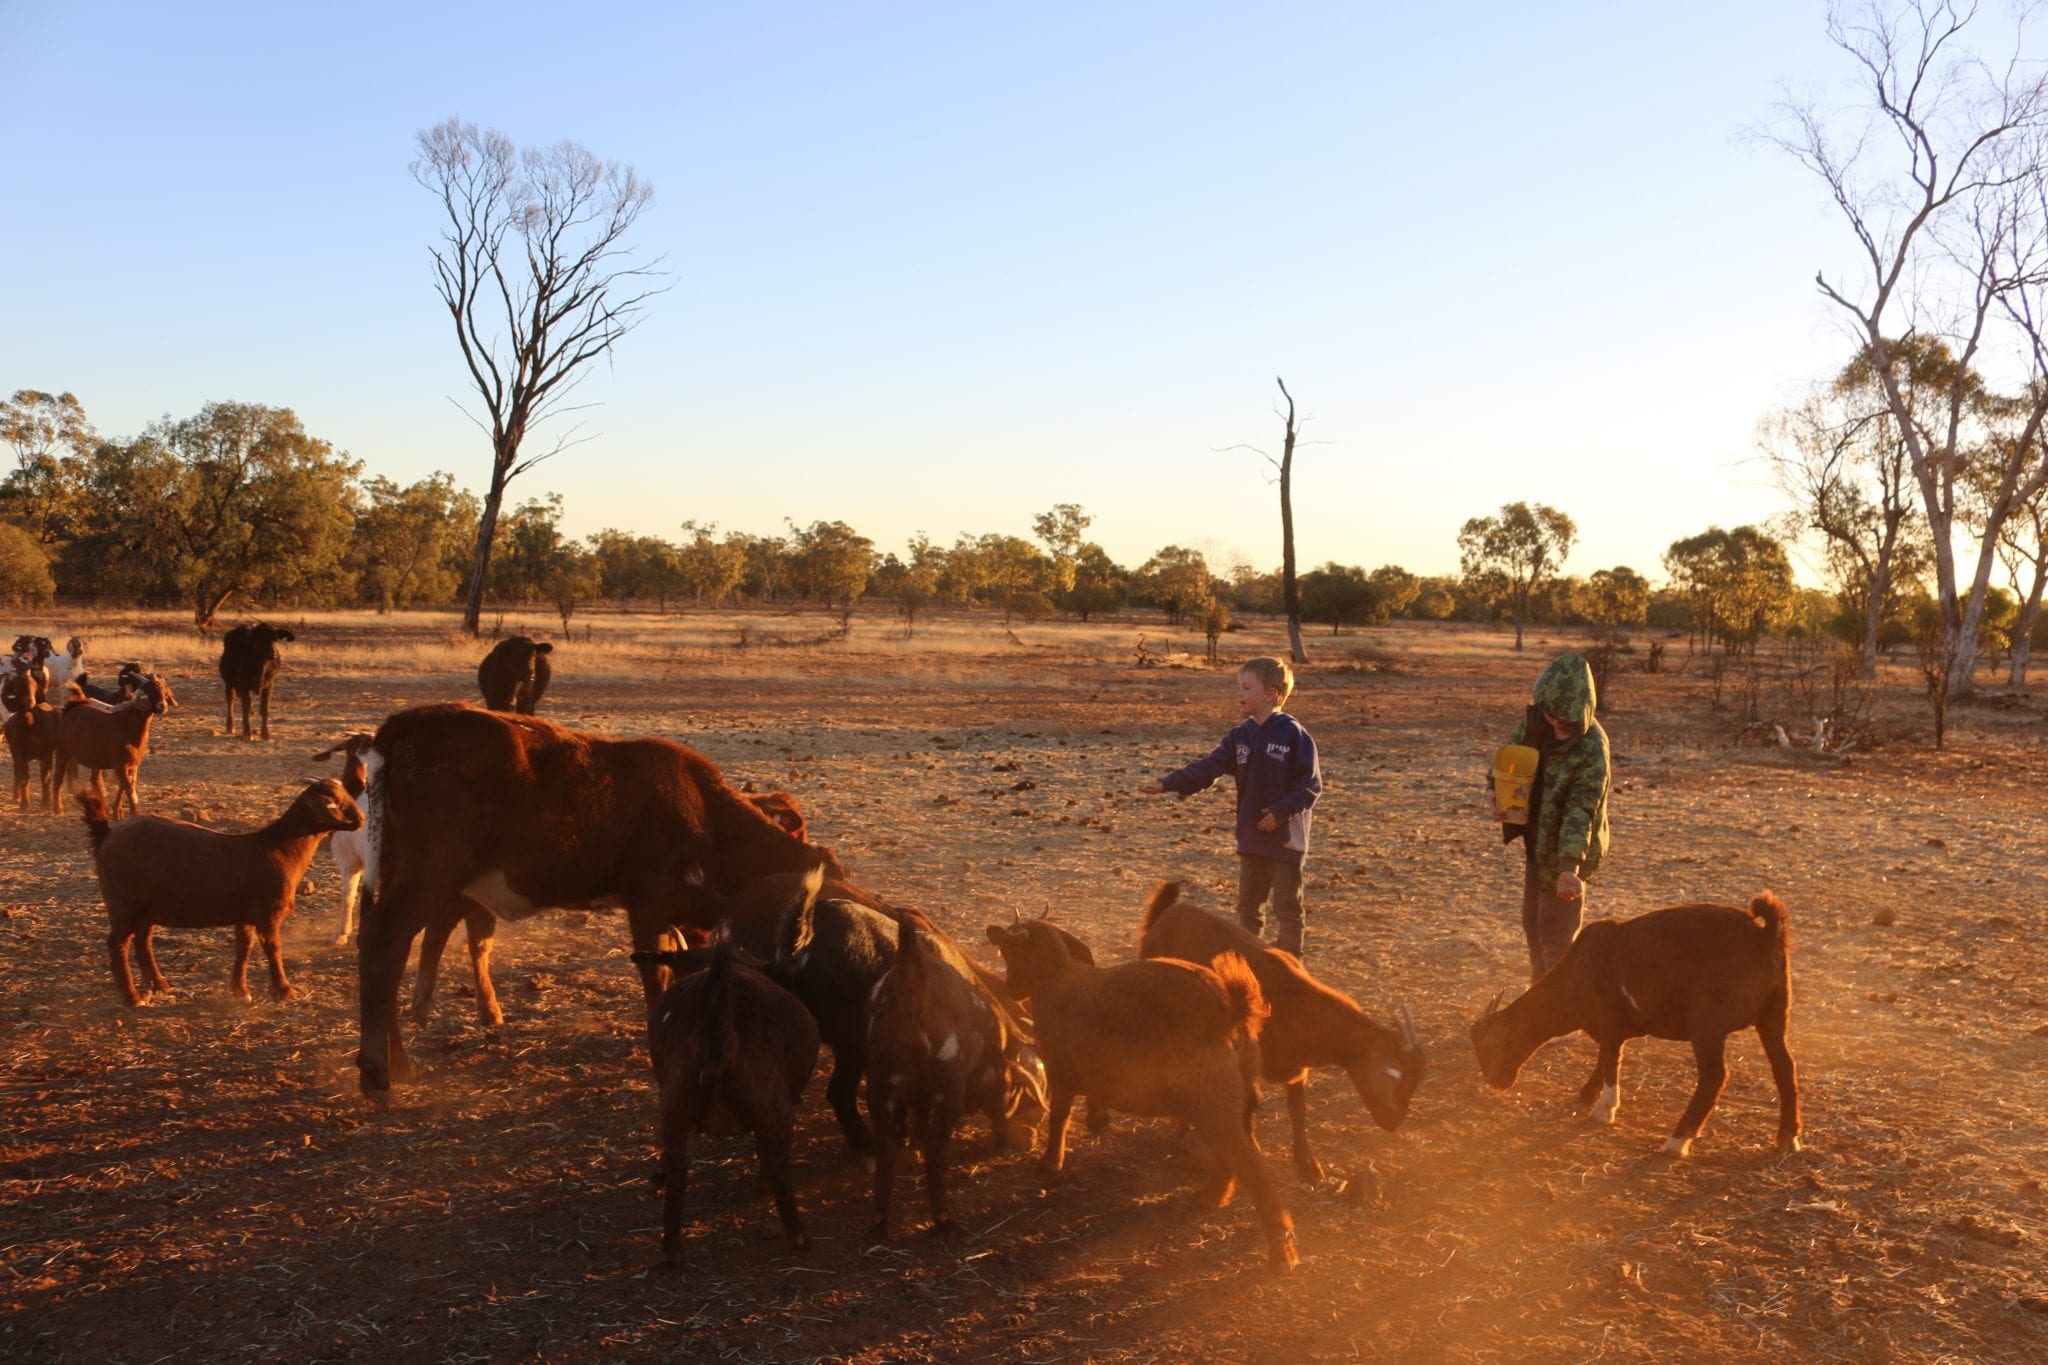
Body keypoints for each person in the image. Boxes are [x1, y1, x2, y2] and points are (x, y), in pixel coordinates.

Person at [1138, 656, 1322, 956]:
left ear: (1271, 694)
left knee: (1287, 908)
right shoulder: (1240, 736)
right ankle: (1250, 963)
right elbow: (1208, 767)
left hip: (1285, 842)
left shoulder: (1294, 735)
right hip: (1251, 839)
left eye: (1246, 687)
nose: (1239, 693)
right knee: (1248, 910)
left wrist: (1280, 813)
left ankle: (1292, 968)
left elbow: (1310, 785)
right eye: (1239, 687)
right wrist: (1168, 783)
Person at [1489, 652, 1611, 982]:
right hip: (1537, 843)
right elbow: (1507, 762)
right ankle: (1540, 1001)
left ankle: (1558, 1015)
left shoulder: (1591, 748)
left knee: (1557, 939)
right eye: (1550, 713)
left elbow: (1580, 811)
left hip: (1568, 852)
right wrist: (1495, 792)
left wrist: (1569, 869)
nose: (1556, 722)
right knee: (1533, 926)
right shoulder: (1536, 724)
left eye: (1565, 718)